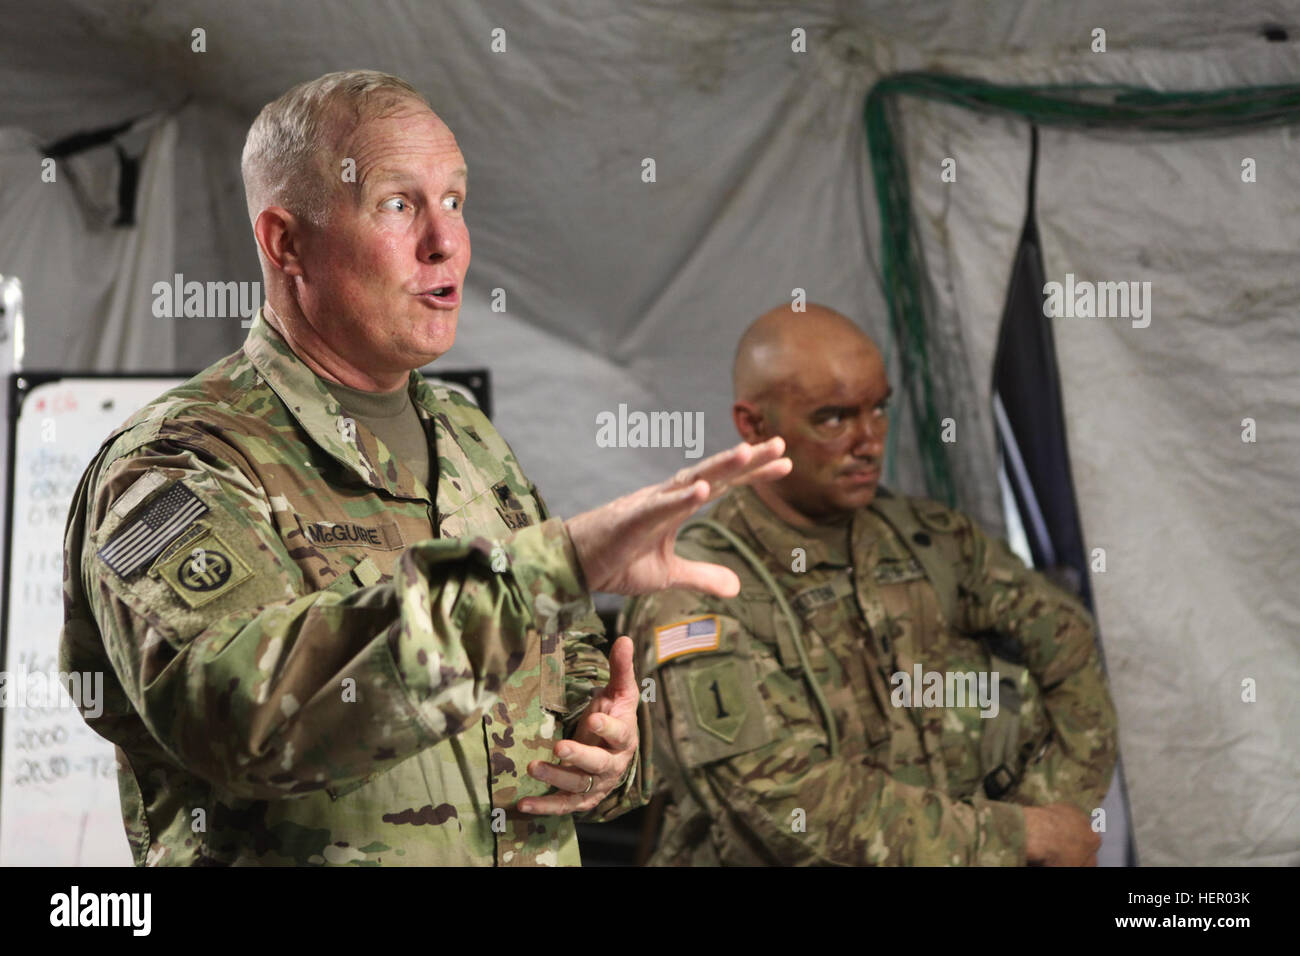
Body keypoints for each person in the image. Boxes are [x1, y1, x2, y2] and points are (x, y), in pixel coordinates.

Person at [58, 70, 790, 866]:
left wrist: (606, 745)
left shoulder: (467, 439)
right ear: (286, 242)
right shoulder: (177, 464)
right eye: (399, 205)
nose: (447, 242)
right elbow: (244, 718)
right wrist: (559, 565)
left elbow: (561, 655)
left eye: (457, 201)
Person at [621, 303, 1118, 865]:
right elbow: (782, 804)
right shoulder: (696, 591)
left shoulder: (929, 540)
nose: (869, 440)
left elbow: (1070, 645)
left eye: (878, 409)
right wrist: (1012, 838)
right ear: (754, 426)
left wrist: (1052, 812)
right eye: (833, 418)